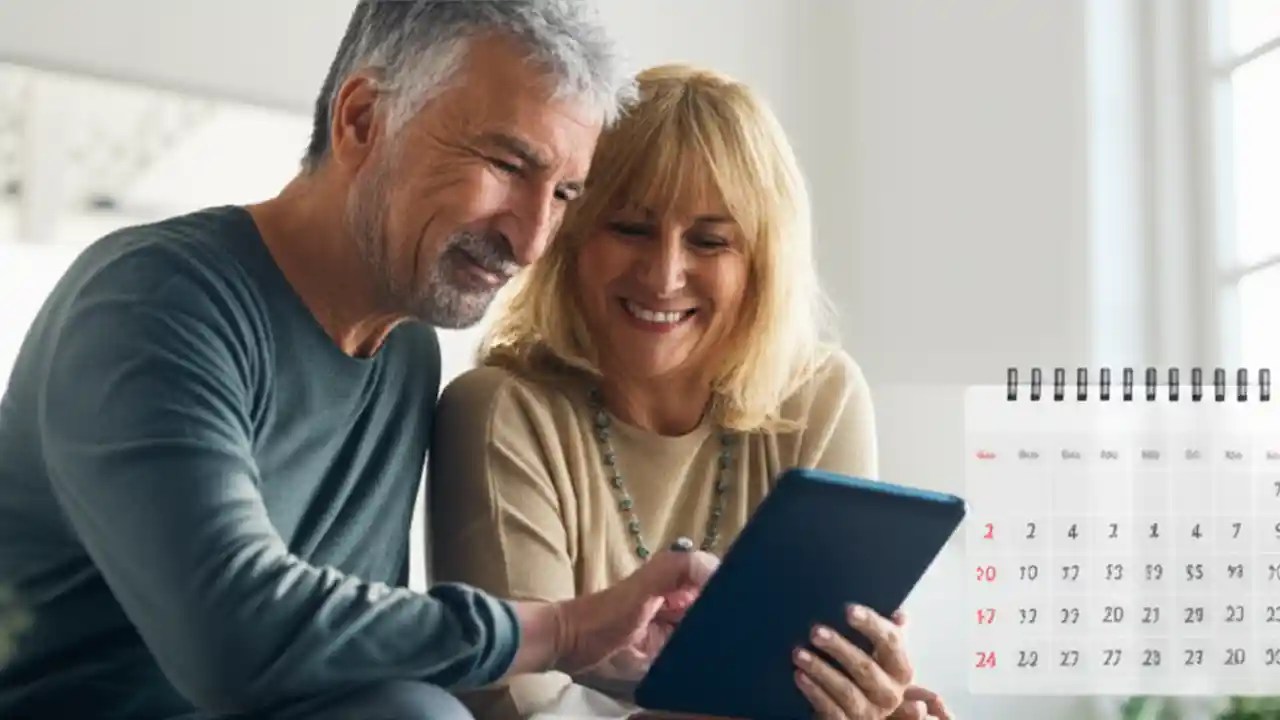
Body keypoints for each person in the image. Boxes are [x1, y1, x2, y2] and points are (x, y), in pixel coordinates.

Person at [0, 3, 721, 719]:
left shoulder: (404, 349)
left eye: (563, 193)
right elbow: (238, 640)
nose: (532, 241)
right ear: (362, 120)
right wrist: (561, 630)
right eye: (506, 164)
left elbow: (346, 653)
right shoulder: (153, 302)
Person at [429, 64, 952, 720]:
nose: (663, 273)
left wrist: (865, 704)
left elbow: (820, 685)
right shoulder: (500, 411)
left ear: (762, 263)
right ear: (572, 236)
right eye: (629, 228)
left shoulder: (822, 396)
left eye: (709, 241)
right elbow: (516, 706)